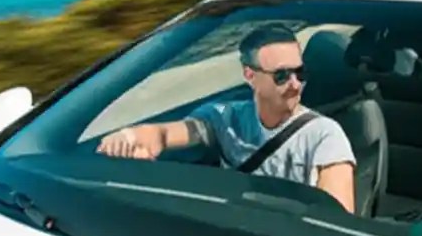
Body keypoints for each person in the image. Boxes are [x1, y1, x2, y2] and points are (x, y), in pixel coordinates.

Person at [97, 24, 358, 213]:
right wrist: (133, 138)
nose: (295, 84)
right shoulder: (225, 117)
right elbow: (168, 133)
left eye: (300, 73)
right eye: (281, 75)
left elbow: (338, 225)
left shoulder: (325, 136)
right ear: (250, 76)